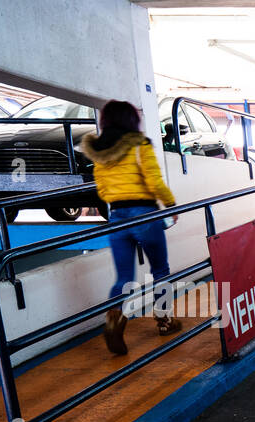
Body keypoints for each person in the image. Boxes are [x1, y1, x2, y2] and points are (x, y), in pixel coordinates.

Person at [78, 100, 180, 355]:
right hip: (144, 213)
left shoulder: (99, 151)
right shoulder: (139, 144)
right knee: (160, 269)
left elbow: (101, 189)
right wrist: (170, 204)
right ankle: (165, 321)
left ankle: (114, 319)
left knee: (124, 278)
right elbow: (153, 180)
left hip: (117, 217)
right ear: (130, 120)